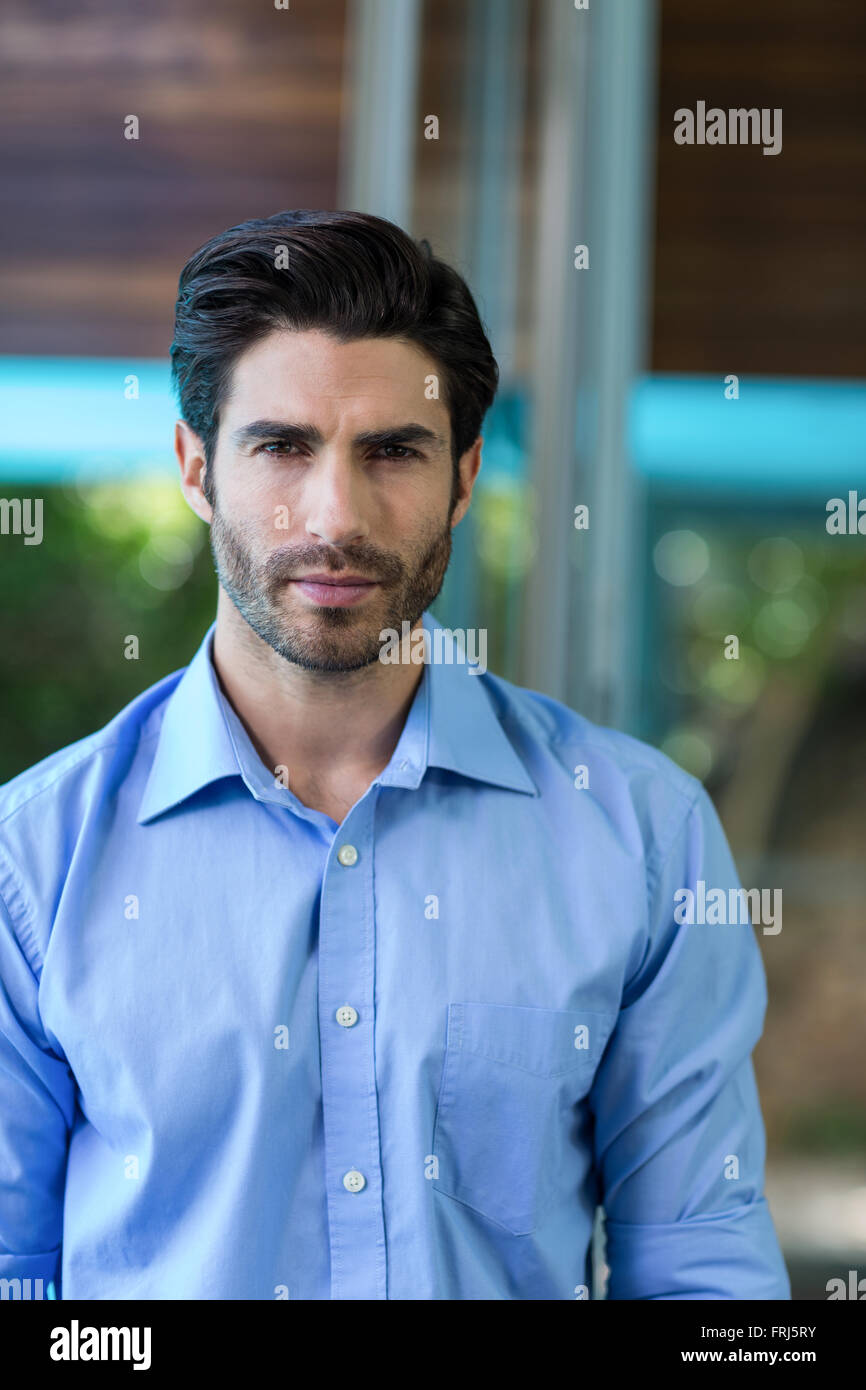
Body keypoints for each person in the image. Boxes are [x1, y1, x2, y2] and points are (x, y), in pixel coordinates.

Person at [0, 210, 790, 1300]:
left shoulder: (642, 834)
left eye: (393, 451)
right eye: (281, 445)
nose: (336, 514)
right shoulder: (31, 865)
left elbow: (702, 1267)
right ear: (195, 468)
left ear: (463, 478)